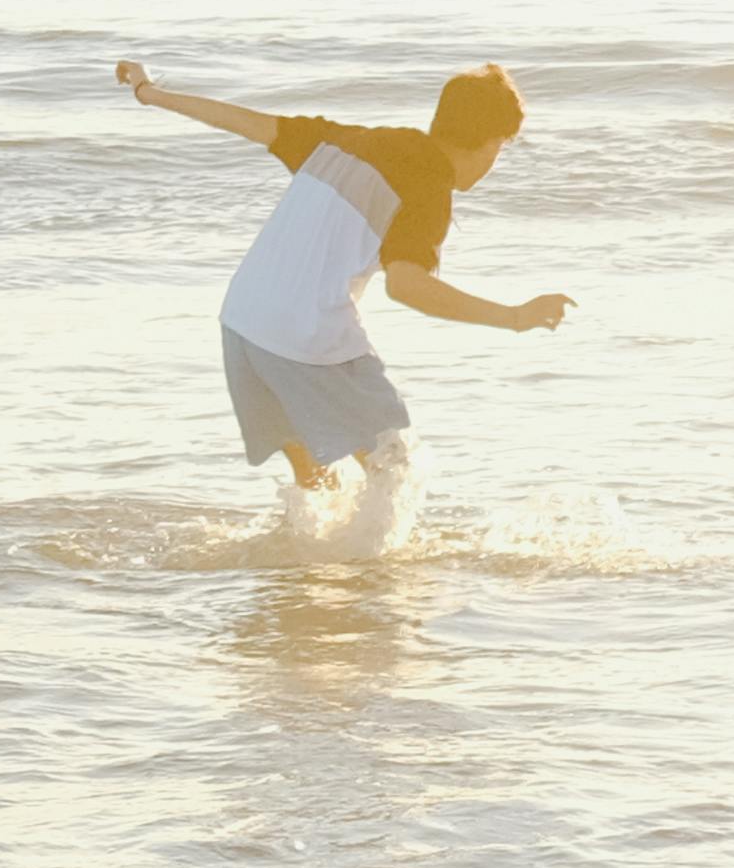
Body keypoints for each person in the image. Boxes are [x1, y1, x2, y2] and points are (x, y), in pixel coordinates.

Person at [112, 53, 568, 553]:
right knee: (395, 462)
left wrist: (149, 93)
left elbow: (243, 121)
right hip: (305, 335)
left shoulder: (350, 139)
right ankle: (372, 579)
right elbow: (407, 286)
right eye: (501, 147)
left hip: (242, 321)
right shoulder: (428, 188)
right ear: (491, 142)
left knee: (314, 474)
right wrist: (515, 317)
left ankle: (309, 577)